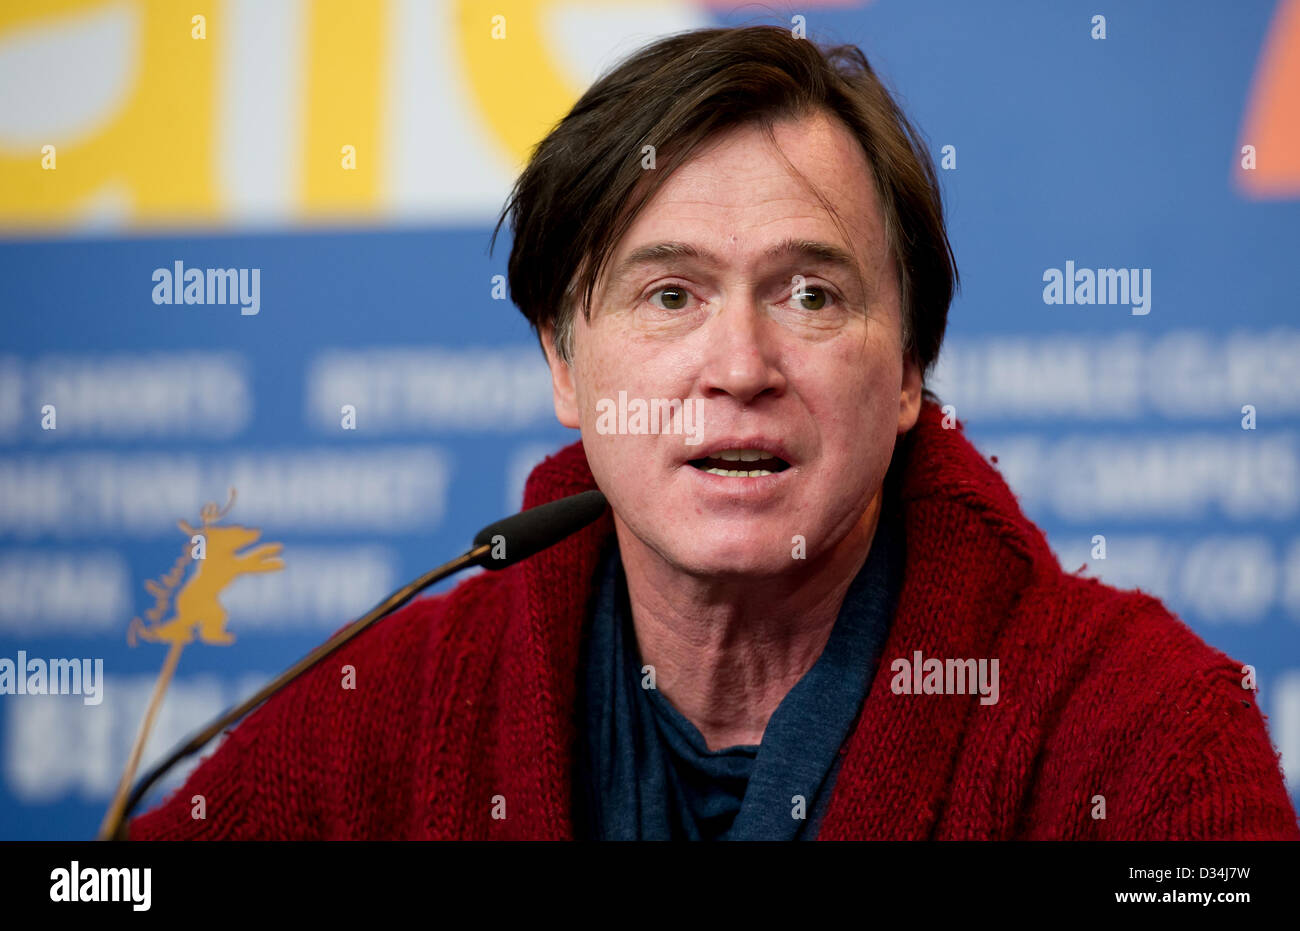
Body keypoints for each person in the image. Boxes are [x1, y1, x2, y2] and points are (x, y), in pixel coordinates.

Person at [129, 25, 1299, 840]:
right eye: (670, 295)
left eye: (812, 295)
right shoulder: (383, 708)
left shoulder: (1144, 726)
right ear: (562, 362)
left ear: (907, 373)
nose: (738, 369)